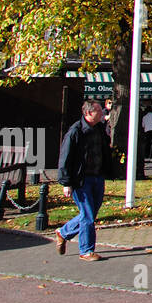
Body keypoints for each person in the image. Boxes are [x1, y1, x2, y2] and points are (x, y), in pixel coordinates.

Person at [56, 100, 114, 261]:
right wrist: (66, 183)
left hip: (97, 176)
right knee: (88, 215)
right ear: (88, 113)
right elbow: (65, 157)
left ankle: (63, 232)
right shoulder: (75, 131)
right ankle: (86, 250)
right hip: (81, 179)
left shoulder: (100, 129)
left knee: (90, 213)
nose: (101, 113)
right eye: (98, 111)